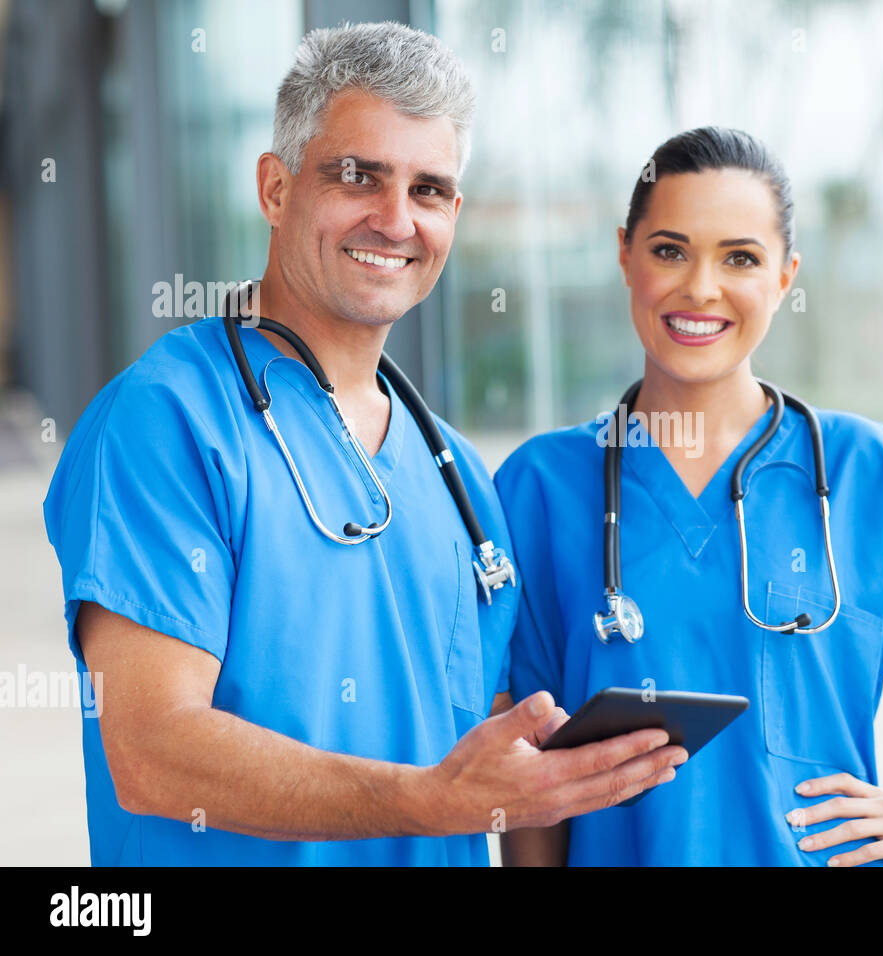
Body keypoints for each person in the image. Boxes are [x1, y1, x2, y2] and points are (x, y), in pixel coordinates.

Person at [41, 22, 684, 867]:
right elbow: (153, 752)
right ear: (275, 188)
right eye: (358, 177)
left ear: (452, 216)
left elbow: (480, 757)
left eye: (428, 191)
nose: (394, 220)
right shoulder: (167, 421)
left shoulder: (457, 476)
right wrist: (424, 801)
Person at [495, 126, 883, 867]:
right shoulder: (543, 487)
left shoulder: (868, 474)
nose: (701, 287)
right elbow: (531, 764)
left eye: (740, 258)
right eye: (670, 250)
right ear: (624, 255)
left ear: (785, 277)